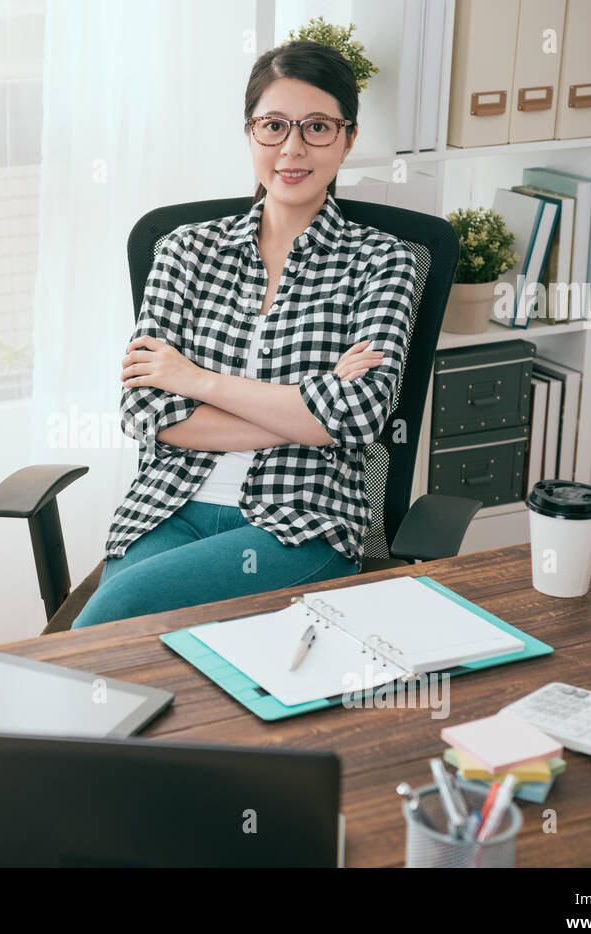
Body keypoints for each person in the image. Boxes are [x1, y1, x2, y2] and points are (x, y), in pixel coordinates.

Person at [71, 41, 417, 629]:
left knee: (109, 622)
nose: (293, 148)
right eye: (273, 126)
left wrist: (194, 379)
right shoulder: (185, 249)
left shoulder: (383, 261)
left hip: (300, 522)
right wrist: (308, 414)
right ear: (250, 132)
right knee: (132, 646)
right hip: (169, 508)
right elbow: (146, 409)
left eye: (317, 127)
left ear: (349, 139)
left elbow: (358, 418)